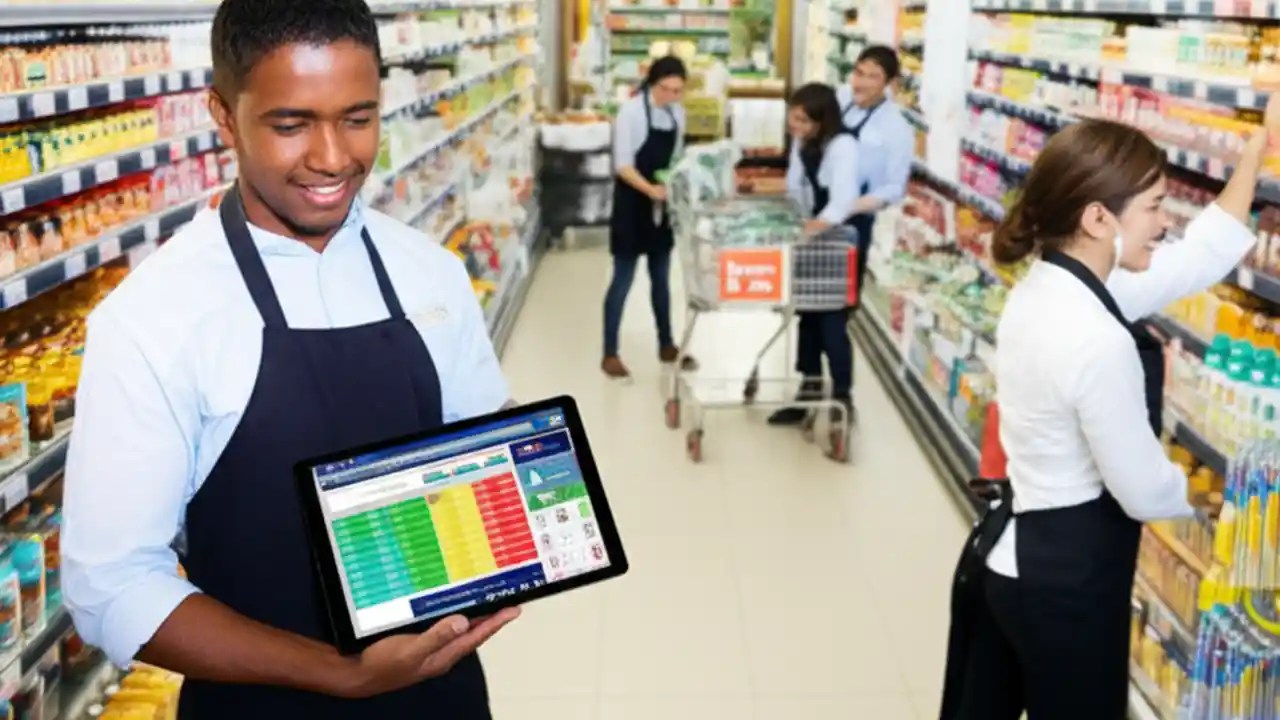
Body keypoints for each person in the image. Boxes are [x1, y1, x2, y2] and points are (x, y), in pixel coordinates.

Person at [60, 0, 520, 717]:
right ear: (223, 114)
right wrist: (344, 674)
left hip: (441, 691)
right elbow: (111, 586)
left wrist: (525, 498)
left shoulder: (430, 273)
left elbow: (479, 453)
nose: (333, 158)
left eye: (357, 118)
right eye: (291, 124)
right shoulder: (155, 316)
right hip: (259, 702)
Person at [939, 109, 1277, 719]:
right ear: (1098, 218)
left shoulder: (1050, 288)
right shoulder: (1096, 339)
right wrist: (1213, 500)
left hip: (1010, 557)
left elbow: (1193, 259)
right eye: (1153, 206)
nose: (1164, 222)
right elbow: (1142, 490)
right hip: (1065, 578)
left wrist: (1258, 148)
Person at [766, 83, 860, 426]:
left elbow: (843, 201)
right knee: (806, 315)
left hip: (835, 238)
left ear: (822, 120)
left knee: (832, 319)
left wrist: (810, 228)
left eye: (804, 121)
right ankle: (807, 390)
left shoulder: (843, 146)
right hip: (807, 234)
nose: (797, 127)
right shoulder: (802, 140)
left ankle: (842, 395)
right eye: (793, 119)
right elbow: (795, 183)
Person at [602, 56, 697, 380]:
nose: (671, 96)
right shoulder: (630, 112)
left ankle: (667, 344)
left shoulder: (677, 114)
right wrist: (650, 190)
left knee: (661, 278)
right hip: (632, 202)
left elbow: (677, 156)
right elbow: (623, 165)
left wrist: (676, 184)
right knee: (623, 279)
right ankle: (610, 352)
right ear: (651, 82)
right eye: (666, 89)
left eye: (677, 91)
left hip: (661, 203)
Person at [835, 45, 913, 296]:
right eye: (859, 73)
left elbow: (894, 188)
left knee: (839, 301)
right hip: (815, 210)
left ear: (889, 83)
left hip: (854, 222)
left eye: (873, 77)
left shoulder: (896, 128)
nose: (862, 83)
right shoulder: (841, 98)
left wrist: (849, 206)